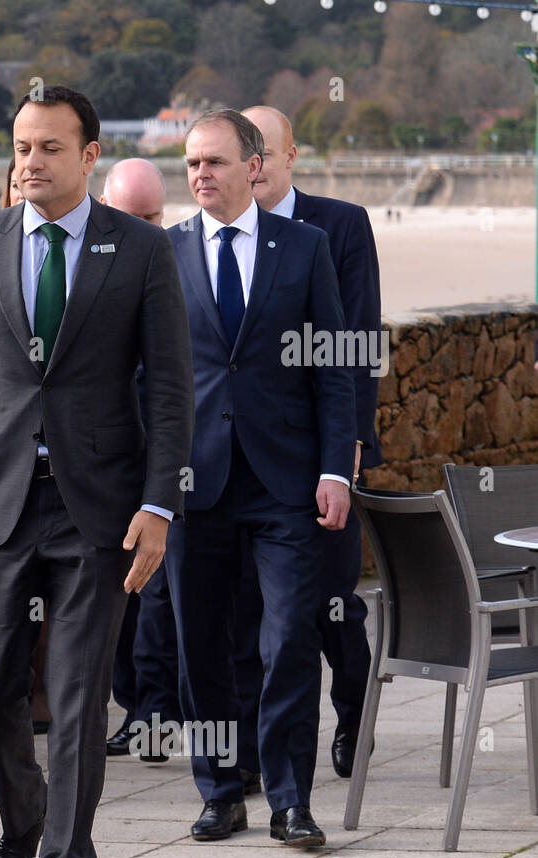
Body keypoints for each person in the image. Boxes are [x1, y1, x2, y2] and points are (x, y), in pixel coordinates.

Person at [0, 86, 194, 858]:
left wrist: (158, 505)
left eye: (47, 147)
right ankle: (21, 823)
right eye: (19, 147)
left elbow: (173, 390)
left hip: (100, 512)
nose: (28, 161)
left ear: (89, 158)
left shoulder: (143, 250)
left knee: (78, 704)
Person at [165, 110, 354, 849]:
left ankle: (288, 800)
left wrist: (336, 466)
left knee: (287, 642)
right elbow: (147, 374)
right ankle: (218, 791)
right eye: (190, 165)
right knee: (200, 646)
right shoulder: (165, 251)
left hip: (286, 483)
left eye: (213, 161)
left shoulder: (305, 247)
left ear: (253, 166)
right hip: (193, 484)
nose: (201, 175)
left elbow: (334, 365)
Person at [232, 106, 383, 781]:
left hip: (322, 452)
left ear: (290, 155)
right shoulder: (210, 234)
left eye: (266, 148)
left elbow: (354, 342)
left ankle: (354, 710)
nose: (255, 161)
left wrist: (345, 446)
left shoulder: (340, 224)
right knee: (257, 615)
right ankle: (265, 758)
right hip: (239, 464)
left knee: (330, 605)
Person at [97, 157, 183, 764]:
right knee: (118, 605)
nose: (149, 228)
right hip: (98, 463)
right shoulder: (79, 259)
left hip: (165, 461)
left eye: (156, 216)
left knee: (155, 601)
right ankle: (137, 706)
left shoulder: (169, 259)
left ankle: (154, 713)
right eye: (136, 217)